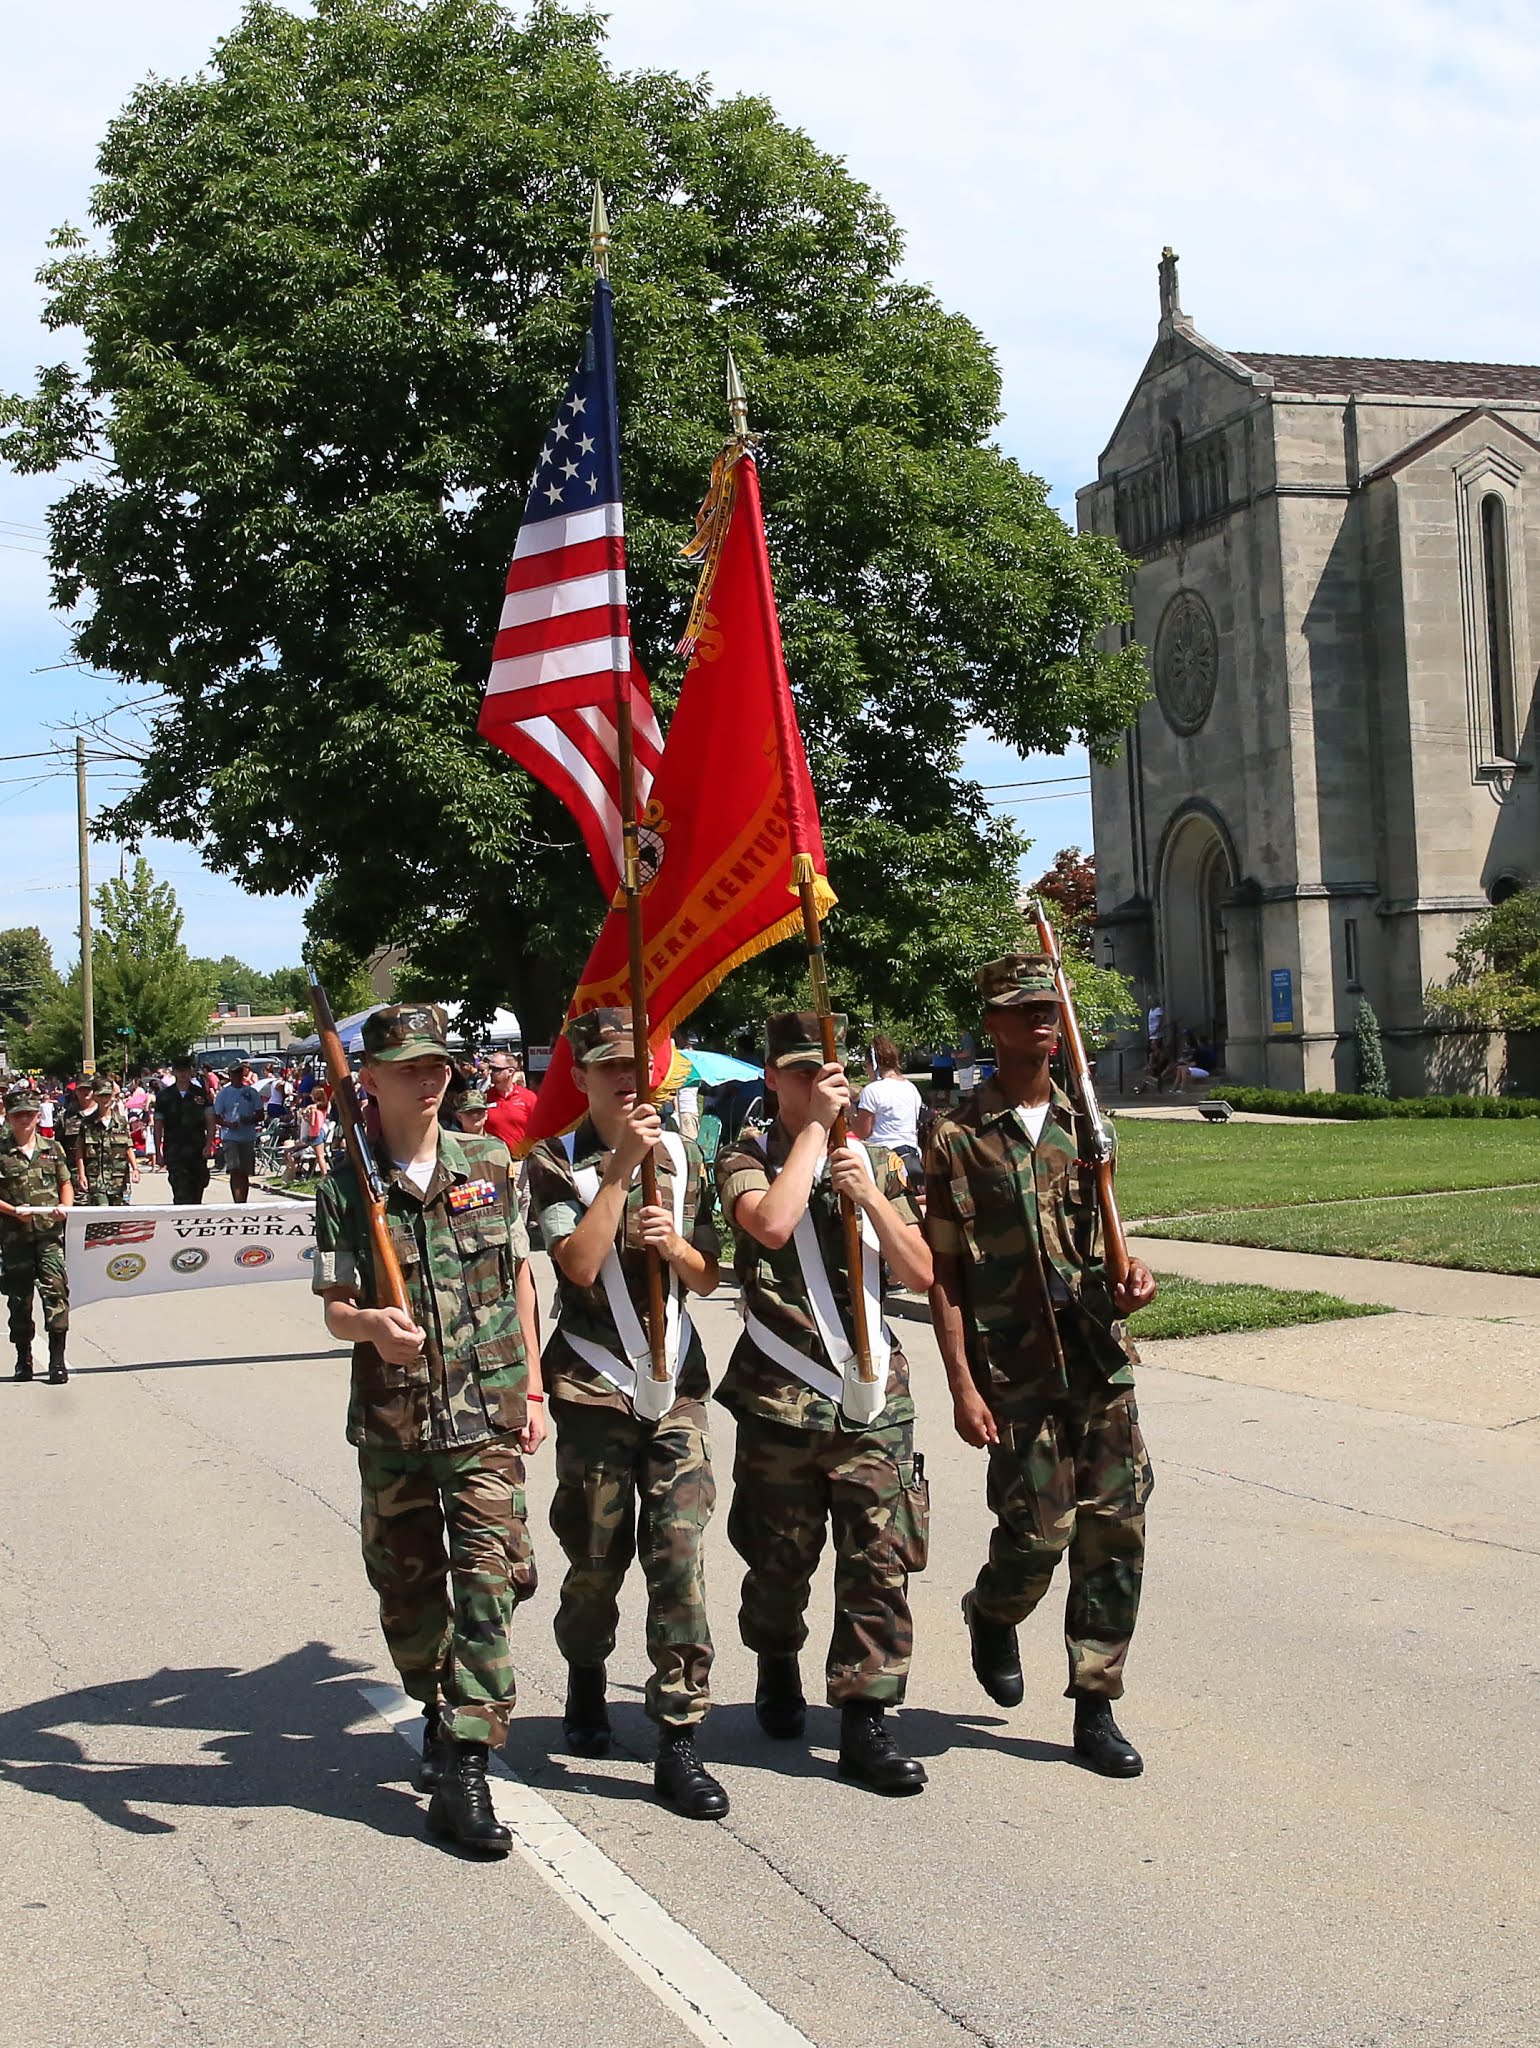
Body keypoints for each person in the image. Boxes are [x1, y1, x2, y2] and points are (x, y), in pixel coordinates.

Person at [312, 1003, 545, 1857]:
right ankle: (440, 1711)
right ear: (368, 1081)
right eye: (409, 1065)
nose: (431, 1074)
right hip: (396, 1422)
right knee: (410, 1599)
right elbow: (335, 1310)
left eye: (438, 1061)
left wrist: (536, 1390)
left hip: (485, 1412)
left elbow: (518, 1275)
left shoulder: (489, 1160)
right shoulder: (344, 1183)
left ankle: (468, 1767)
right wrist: (373, 1325)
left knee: (491, 1581)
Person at [924, 954, 1158, 1778]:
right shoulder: (957, 1136)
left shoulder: (1087, 1126)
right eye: (1025, 1012)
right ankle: (992, 1613)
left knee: (1114, 1533)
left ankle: (1095, 1705)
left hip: (1098, 1358)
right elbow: (944, 1272)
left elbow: (1110, 1246)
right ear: (992, 1024)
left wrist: (1133, 1280)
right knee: (1037, 1533)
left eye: (1050, 1011)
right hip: (1013, 1366)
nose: (1043, 1024)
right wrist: (960, 1384)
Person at [714, 1012, 933, 1797]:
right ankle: (777, 1655)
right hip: (781, 1398)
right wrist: (812, 1134)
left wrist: (870, 1194)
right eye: (799, 1073)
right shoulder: (744, 1155)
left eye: (825, 1073)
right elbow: (771, 1226)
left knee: (879, 1563)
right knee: (780, 1564)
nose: (816, 1085)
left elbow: (918, 1271)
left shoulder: (871, 1159)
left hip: (873, 1401)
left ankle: (864, 1718)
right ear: (772, 1077)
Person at [526, 1009, 727, 1822]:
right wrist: (618, 1173)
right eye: (607, 1066)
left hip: (674, 1385)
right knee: (597, 1561)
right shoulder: (553, 1162)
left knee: (678, 1554)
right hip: (593, 1391)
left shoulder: (686, 1156)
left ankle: (678, 1736)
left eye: (635, 1065)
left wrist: (676, 1250)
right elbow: (574, 1266)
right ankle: (585, 1673)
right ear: (579, 1077)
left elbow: (711, 1276)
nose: (624, 1078)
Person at [0, 1084, 75, 1383]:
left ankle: (57, 1361)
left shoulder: (52, 1148)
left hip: (49, 1237)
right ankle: (23, 1359)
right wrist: (11, 1210)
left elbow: (65, 1183)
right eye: (20, 1114)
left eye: (30, 1113)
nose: (26, 1119)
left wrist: (64, 1207)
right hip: (14, 1238)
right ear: (9, 1116)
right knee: (19, 1300)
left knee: (56, 1295)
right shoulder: (2, 1152)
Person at [852, 1035, 925, 1189]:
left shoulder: (873, 1090)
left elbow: (863, 1132)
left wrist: (850, 1115)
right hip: (912, 1158)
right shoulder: (910, 1087)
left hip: (885, 1162)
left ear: (873, 1064)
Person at [155, 1058, 216, 1204]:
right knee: (180, 1190)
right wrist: (158, 1151)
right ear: (174, 1072)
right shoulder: (164, 1096)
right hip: (175, 1150)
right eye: (179, 1070)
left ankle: (193, 1222)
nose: (183, 1074)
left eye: (186, 1070)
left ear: (191, 1071)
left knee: (198, 1187)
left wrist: (209, 1144)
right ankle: (181, 1222)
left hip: (197, 1149)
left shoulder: (201, 1094)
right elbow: (158, 1125)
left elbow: (210, 1120)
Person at [76, 1077, 140, 1206]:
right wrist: (81, 1175)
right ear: (95, 1097)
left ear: (113, 1097)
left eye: (107, 1096)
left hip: (118, 1179)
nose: (104, 1100)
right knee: (101, 1213)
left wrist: (135, 1169)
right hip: (96, 1179)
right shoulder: (87, 1123)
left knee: (118, 1216)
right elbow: (80, 1152)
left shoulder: (121, 1122)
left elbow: (128, 1148)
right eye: (101, 1096)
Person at [213, 1061, 265, 1204]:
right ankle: (237, 1202)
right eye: (234, 1073)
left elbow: (261, 1114)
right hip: (230, 1136)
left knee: (244, 1171)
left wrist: (250, 1119)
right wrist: (228, 1123)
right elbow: (216, 1117)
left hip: (247, 1136)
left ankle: (244, 1201)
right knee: (234, 1169)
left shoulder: (251, 1092)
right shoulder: (224, 1094)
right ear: (229, 1075)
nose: (237, 1076)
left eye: (239, 1073)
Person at [483, 1054, 537, 1152]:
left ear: (510, 1071)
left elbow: (539, 1129)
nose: (490, 1072)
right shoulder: (485, 1098)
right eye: (490, 1068)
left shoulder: (528, 1097)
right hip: (494, 1160)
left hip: (521, 1160)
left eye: (495, 1069)